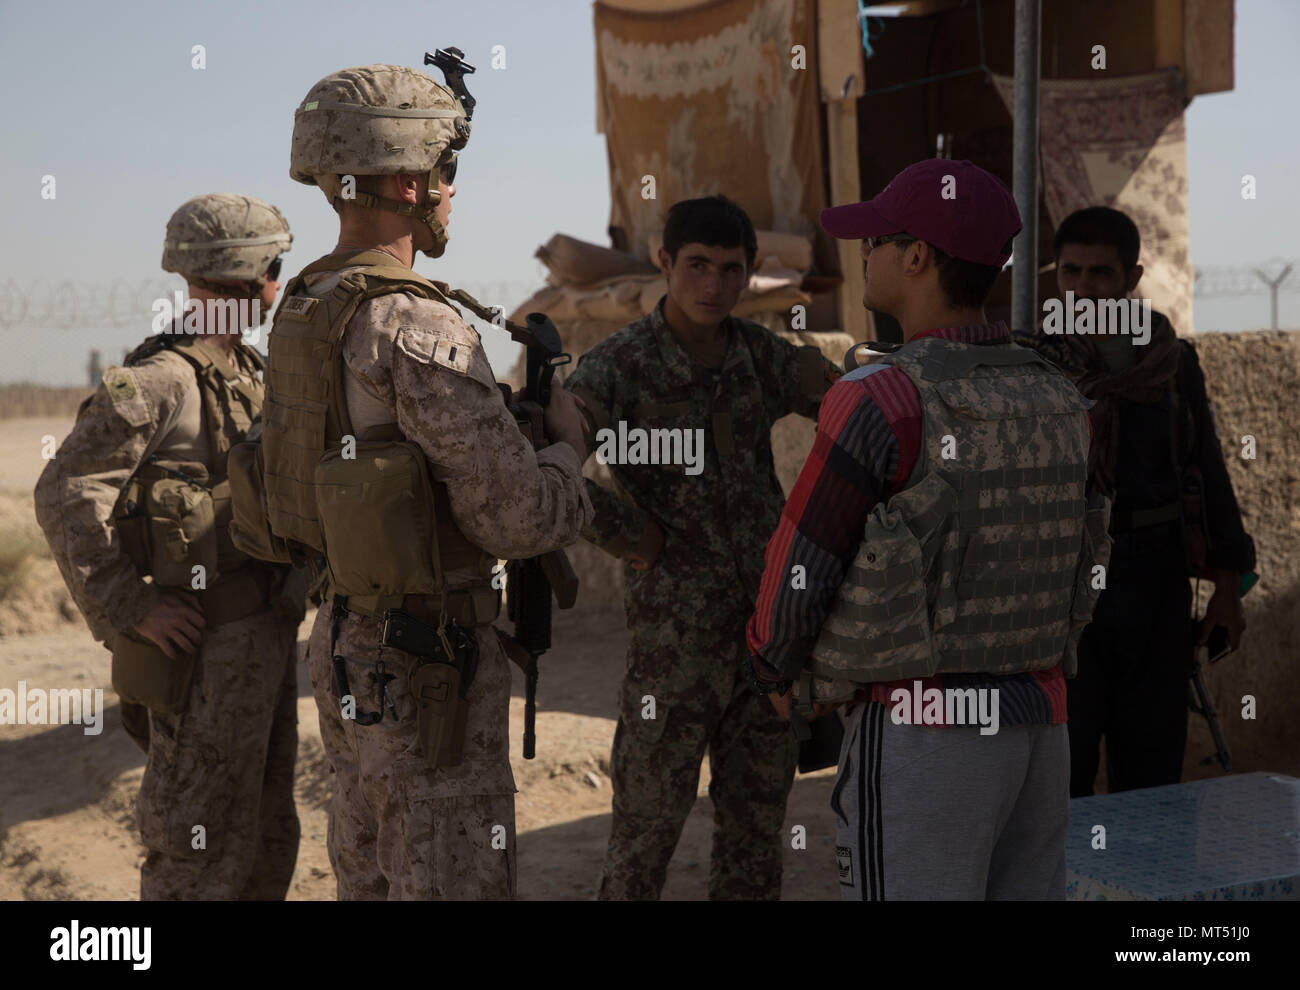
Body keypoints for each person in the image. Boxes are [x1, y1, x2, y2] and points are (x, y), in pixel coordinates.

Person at [251, 63, 591, 900]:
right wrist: (567, 456)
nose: (450, 194)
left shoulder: (306, 304)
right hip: (428, 660)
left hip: (343, 644)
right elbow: (514, 518)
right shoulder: (415, 320)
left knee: (373, 874)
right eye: (446, 174)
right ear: (407, 180)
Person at [745, 159, 1111, 900]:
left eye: (876, 240)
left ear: (916, 258)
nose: (865, 254)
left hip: (922, 732)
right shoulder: (1062, 393)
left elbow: (802, 563)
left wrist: (773, 665)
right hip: (1042, 732)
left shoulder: (880, 395)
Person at [564, 195, 839, 900]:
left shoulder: (759, 356)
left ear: (748, 275)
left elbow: (846, 404)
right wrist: (635, 536)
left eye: (730, 270)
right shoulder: (617, 366)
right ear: (664, 261)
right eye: (696, 266)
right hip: (673, 646)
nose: (713, 285)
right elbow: (552, 468)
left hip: (765, 638)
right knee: (644, 835)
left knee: (754, 835)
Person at [35, 193, 302, 900]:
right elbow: (64, 492)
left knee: (268, 838)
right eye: (275, 267)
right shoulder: (156, 380)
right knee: (196, 847)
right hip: (201, 655)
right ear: (247, 275)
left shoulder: (250, 371)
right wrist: (131, 606)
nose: (279, 284)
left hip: (264, 642)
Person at [1017, 206, 1254, 797]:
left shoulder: (1169, 365)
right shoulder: (1031, 363)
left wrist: (1227, 589)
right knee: (1057, 776)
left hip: (1154, 582)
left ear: (1132, 278)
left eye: (1100, 273)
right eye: (1070, 271)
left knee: (1152, 778)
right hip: (1059, 590)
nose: (1083, 287)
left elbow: (1207, 471)